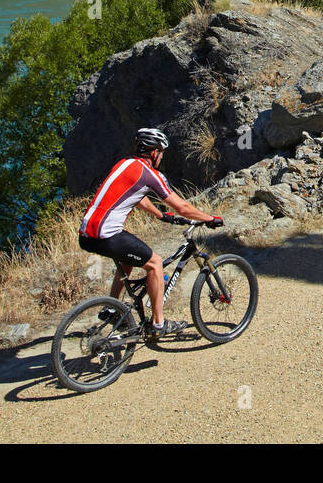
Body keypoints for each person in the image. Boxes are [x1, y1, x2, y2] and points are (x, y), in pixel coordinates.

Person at [79, 127, 223, 338]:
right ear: (154, 152)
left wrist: (159, 215)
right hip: (106, 235)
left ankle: (111, 309)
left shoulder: (124, 164)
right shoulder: (150, 174)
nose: (162, 156)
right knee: (155, 263)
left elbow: (136, 195)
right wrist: (209, 218)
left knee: (127, 260)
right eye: (162, 152)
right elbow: (181, 207)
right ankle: (158, 324)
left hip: (86, 236)